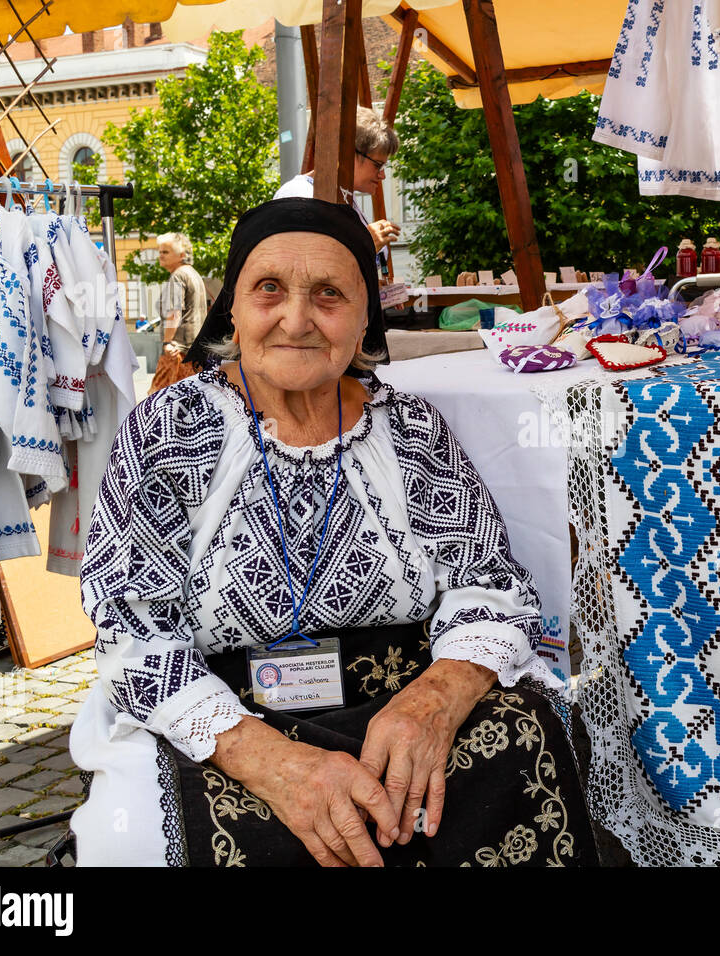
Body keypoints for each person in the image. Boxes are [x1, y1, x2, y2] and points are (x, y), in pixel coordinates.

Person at [68, 198, 597, 867]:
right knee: (131, 833)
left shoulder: (410, 429)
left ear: (363, 318)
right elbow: (129, 624)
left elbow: (488, 580)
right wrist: (268, 759)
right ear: (232, 307)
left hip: (399, 701)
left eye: (328, 294)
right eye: (268, 290)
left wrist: (433, 704)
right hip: (226, 712)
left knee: (529, 746)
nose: (296, 319)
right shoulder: (171, 431)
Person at [275, 105, 402, 258]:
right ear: (348, 153)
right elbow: (303, 266)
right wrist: (364, 245)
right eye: (377, 165)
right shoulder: (298, 195)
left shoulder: (344, 197)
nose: (382, 175)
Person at [148, 232, 207, 394]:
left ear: (181, 255)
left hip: (177, 352)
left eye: (165, 252)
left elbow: (174, 312)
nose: (160, 256)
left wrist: (167, 342)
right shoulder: (193, 274)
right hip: (193, 352)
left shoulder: (178, 276)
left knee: (157, 403)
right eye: (159, 252)